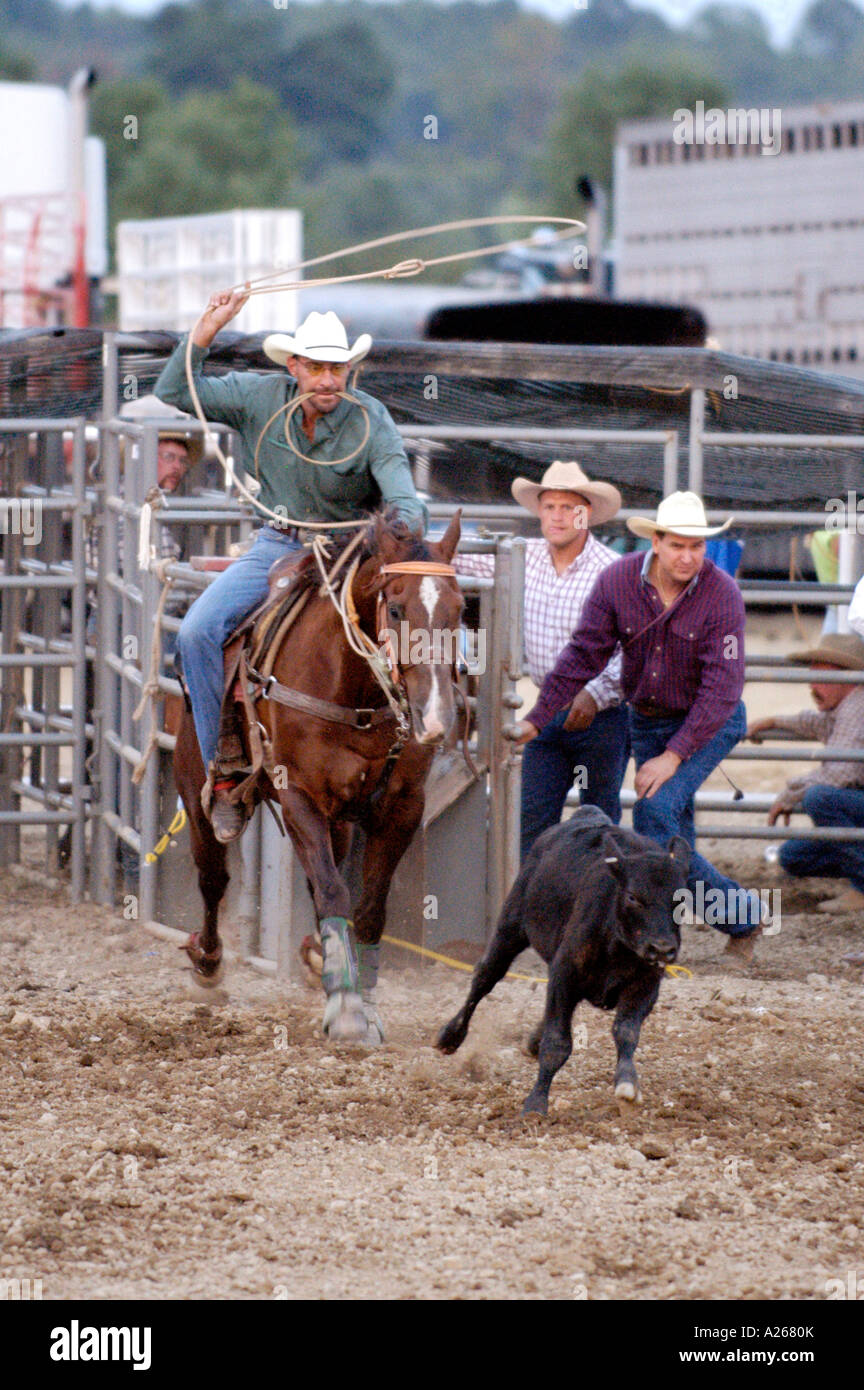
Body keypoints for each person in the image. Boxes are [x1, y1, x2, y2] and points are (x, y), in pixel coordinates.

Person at [154, 294, 427, 843]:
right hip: (279, 545)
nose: (329, 380)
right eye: (318, 368)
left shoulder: (371, 419)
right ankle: (225, 773)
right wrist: (206, 329)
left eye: (338, 369)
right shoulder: (257, 397)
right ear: (294, 367)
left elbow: (406, 496)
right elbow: (173, 391)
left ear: (350, 370)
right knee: (198, 632)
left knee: (424, 627)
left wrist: (399, 531)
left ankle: (417, 751)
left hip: (354, 551)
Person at [513, 490, 769, 959]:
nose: (688, 556)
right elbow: (584, 653)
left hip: (707, 722)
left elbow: (722, 688)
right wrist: (539, 715)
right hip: (648, 719)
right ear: (656, 541)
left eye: (697, 546)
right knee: (670, 835)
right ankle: (671, 935)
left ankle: (743, 915)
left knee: (653, 814)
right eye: (677, 545)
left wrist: (674, 756)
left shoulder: (722, 595)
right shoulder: (618, 582)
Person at [454, 459, 628, 858]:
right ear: (539, 513)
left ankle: (599, 905)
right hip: (547, 710)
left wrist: (596, 693)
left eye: (569, 507)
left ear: (587, 515)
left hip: (604, 717)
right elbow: (458, 558)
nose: (558, 516)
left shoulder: (612, 571)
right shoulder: (521, 557)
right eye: (549, 507)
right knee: (531, 818)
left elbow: (632, 648)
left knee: (600, 822)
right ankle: (535, 908)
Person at [748, 632, 864, 913]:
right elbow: (816, 723)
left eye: (822, 677)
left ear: (848, 679)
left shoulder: (857, 706)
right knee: (793, 856)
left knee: (819, 799)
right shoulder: (846, 706)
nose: (812, 685)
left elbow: (839, 774)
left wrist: (791, 792)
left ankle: (862, 887)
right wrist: (773, 721)